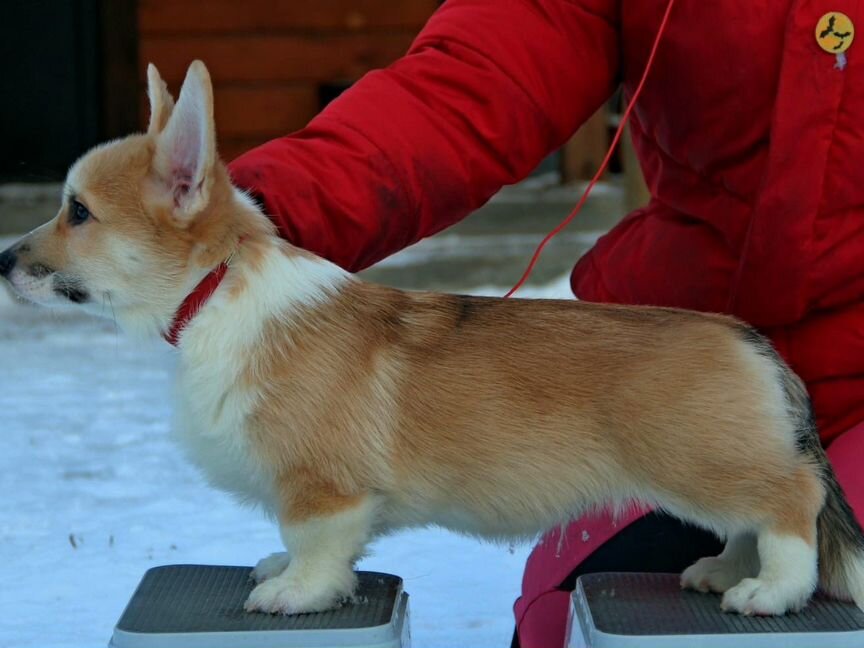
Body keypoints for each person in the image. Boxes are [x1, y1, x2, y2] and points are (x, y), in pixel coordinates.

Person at [227, 2, 864, 646]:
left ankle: (780, 528)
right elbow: (477, 77)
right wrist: (257, 212)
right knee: (561, 621)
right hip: (666, 363)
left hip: (778, 376)